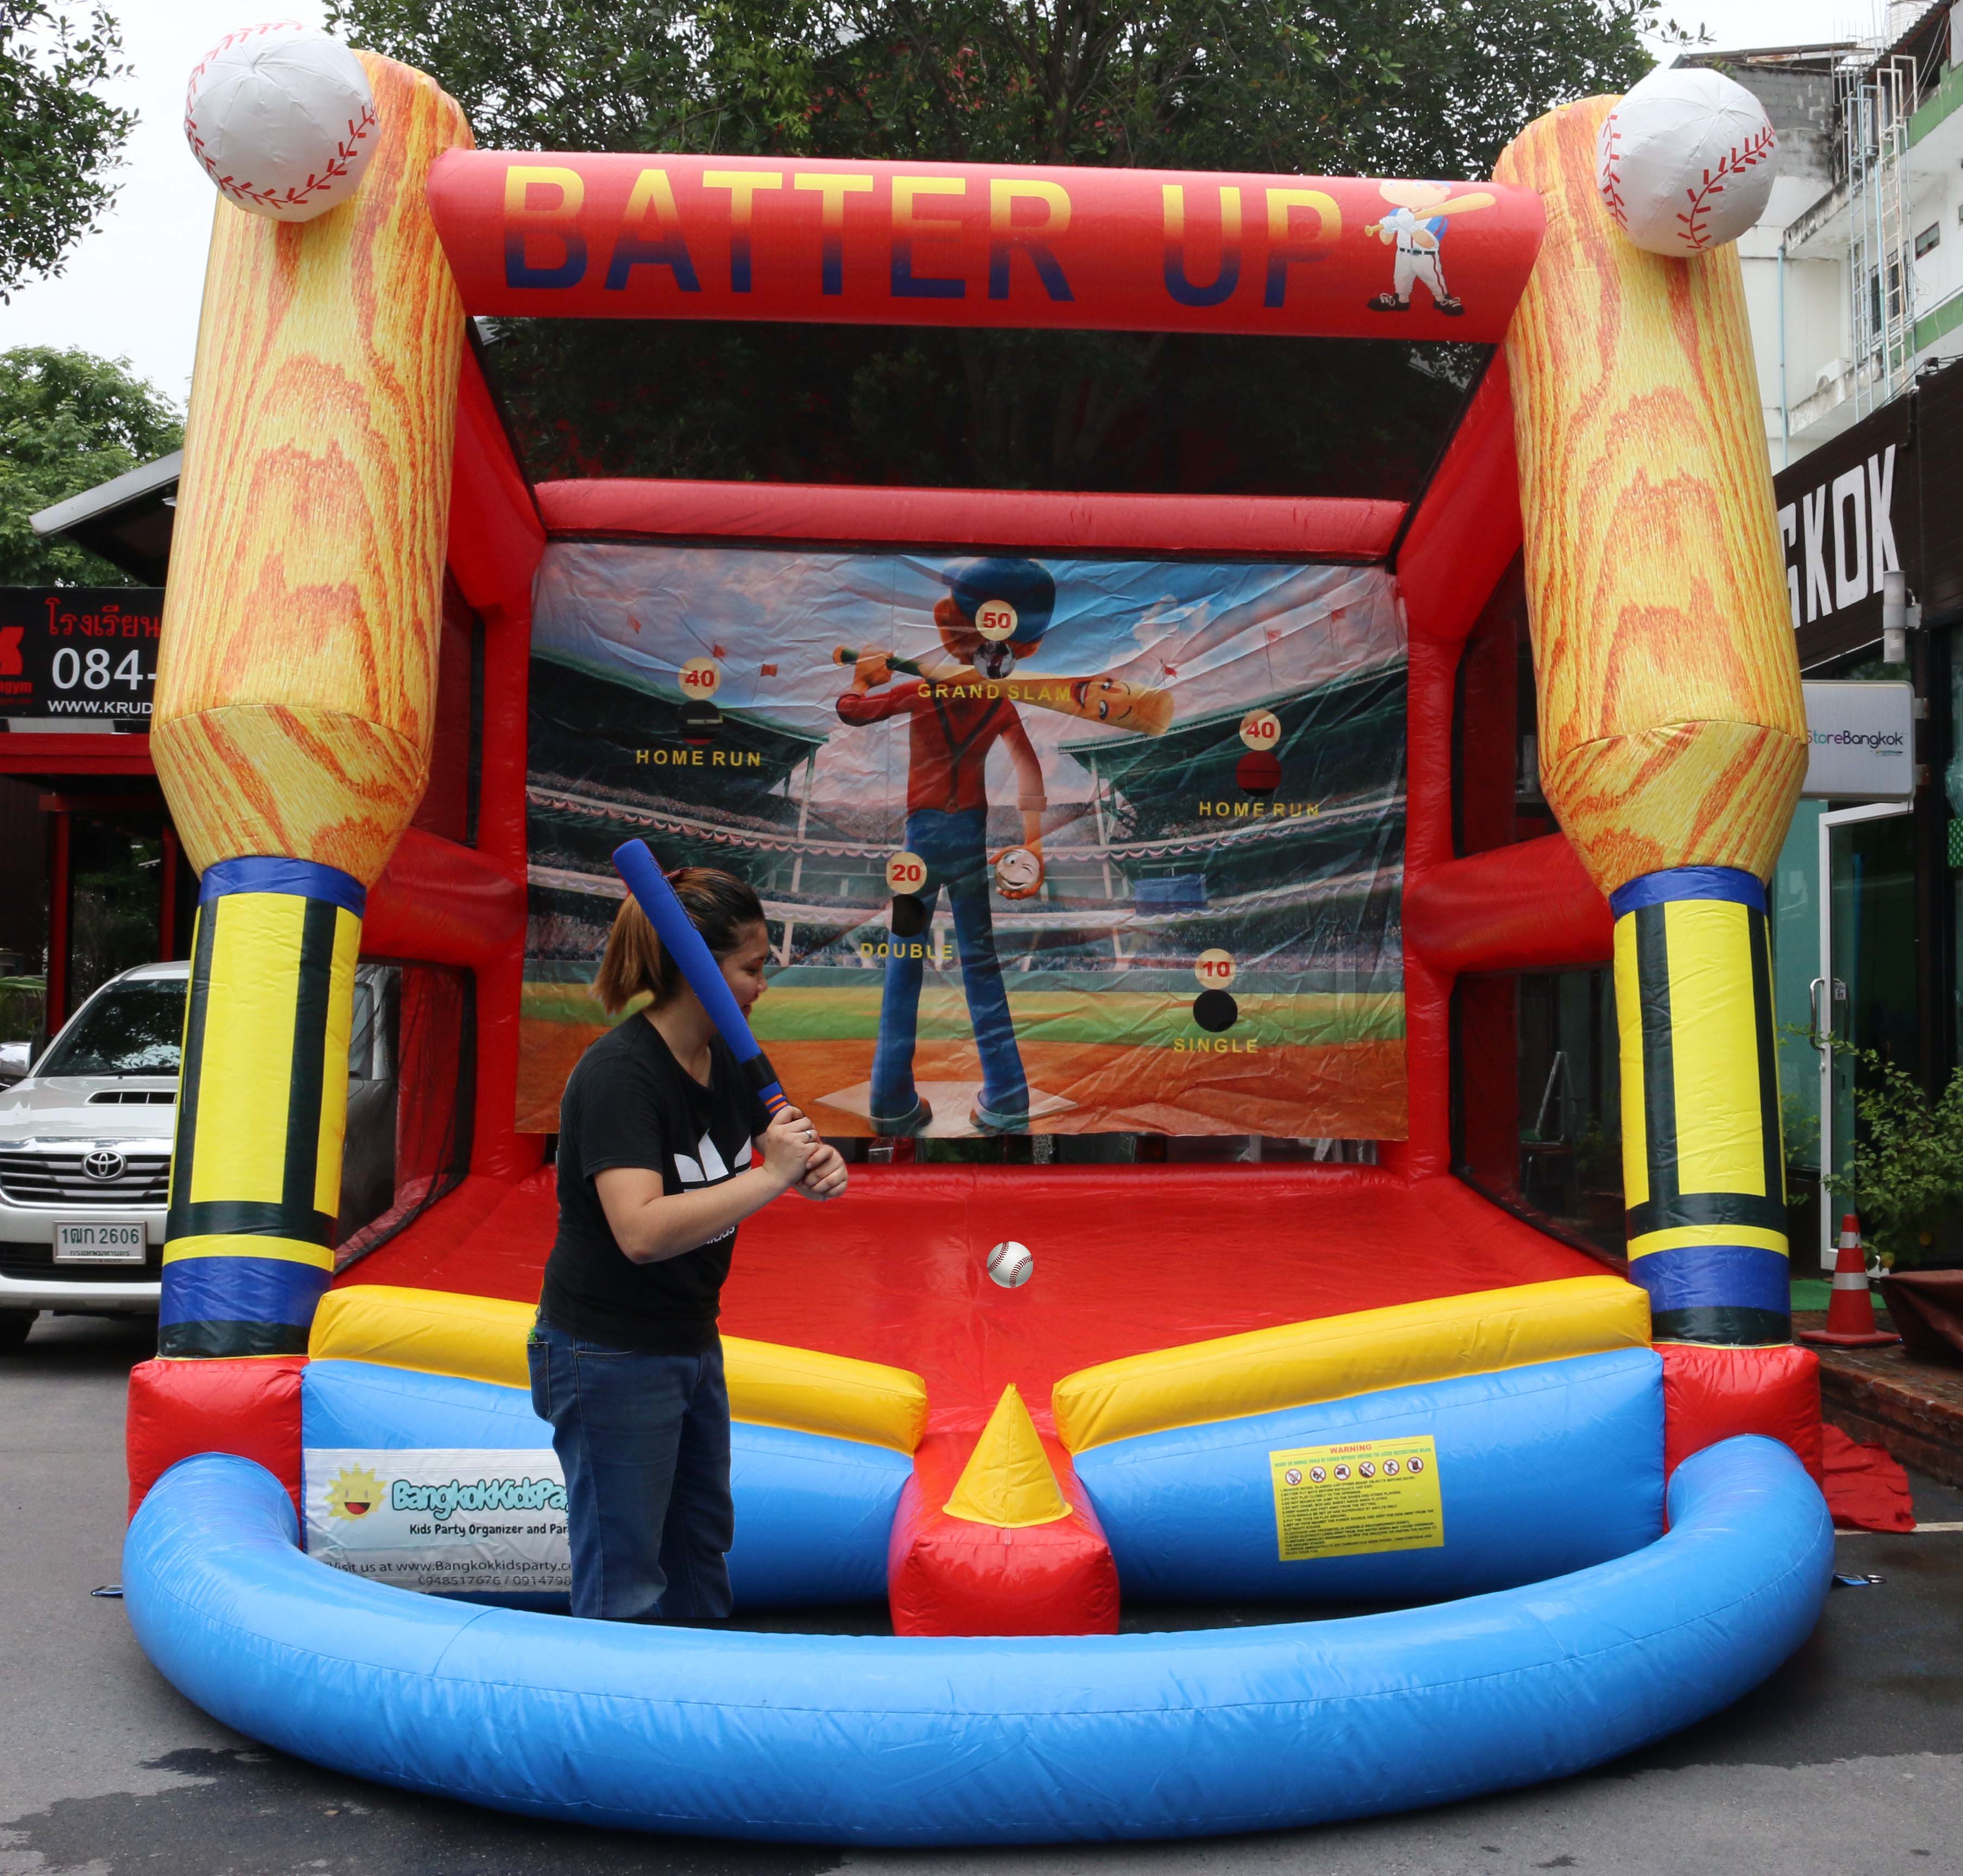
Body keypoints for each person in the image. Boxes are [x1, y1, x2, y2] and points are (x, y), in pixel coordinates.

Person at [529, 869, 847, 1624]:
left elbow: (748, 1170)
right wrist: (772, 1175)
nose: (761, 986)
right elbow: (640, 1232)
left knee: (700, 1543)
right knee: (626, 1573)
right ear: (696, 968)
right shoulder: (620, 1076)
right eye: (750, 968)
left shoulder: (732, 1066)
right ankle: (615, 1730)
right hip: (607, 1350)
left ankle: (698, 1718)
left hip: (689, 1338)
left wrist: (802, 1171)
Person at [835, 567, 1052, 1136]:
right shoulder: (1000, 705)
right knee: (981, 966)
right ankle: (1007, 1098)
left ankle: (890, 1100)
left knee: (903, 966)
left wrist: (862, 680)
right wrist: (1032, 847)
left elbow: (850, 712)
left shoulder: (919, 691)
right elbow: (1029, 772)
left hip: (922, 842)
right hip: (970, 836)